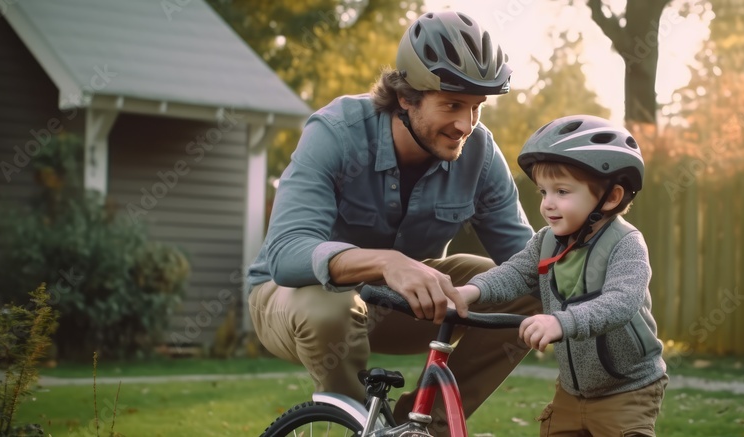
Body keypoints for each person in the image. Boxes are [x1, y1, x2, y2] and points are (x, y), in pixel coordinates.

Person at [246, 10, 540, 433]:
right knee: (330, 308)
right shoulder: (335, 132)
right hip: (293, 302)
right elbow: (286, 254)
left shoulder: (480, 152)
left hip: (400, 304)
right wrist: (385, 262)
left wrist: (609, 306)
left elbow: (529, 262)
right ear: (406, 96)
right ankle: (353, 425)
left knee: (522, 289)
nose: (465, 125)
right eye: (452, 104)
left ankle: (421, 426)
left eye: (477, 107)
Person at [456, 115, 669, 436]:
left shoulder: (626, 244)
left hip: (628, 390)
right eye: (543, 192)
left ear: (610, 197)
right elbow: (513, 274)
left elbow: (620, 303)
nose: (548, 204)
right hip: (571, 391)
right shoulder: (546, 241)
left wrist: (560, 322)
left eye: (562, 191)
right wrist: (469, 292)